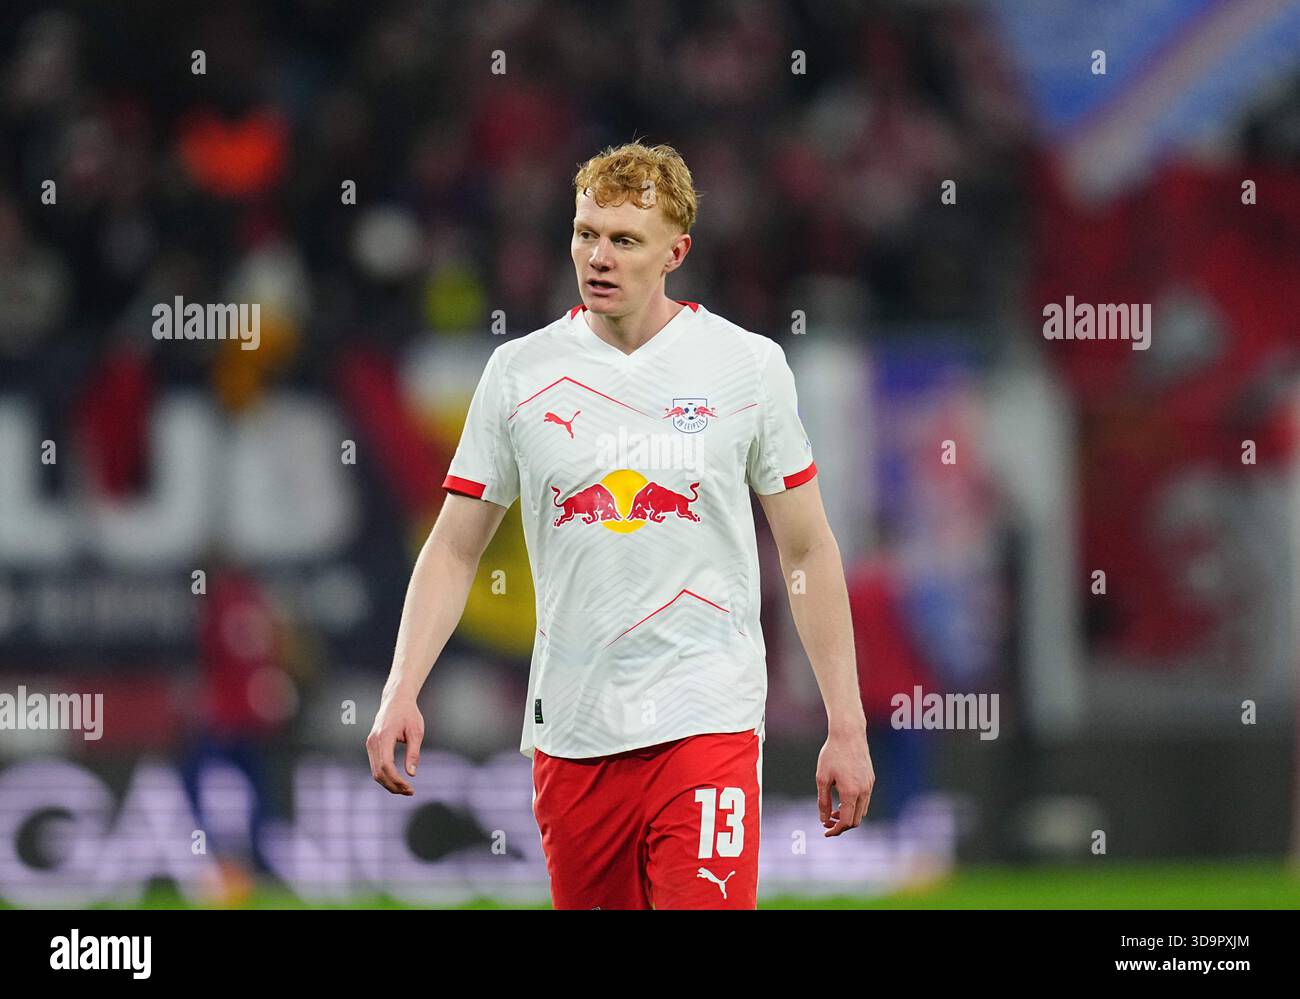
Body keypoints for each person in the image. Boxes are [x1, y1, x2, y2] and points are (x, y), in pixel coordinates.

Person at [367, 141, 874, 909]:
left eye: (624, 240)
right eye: (585, 233)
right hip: (573, 730)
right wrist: (402, 687)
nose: (597, 256)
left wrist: (847, 722)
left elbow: (806, 546)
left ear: (676, 251)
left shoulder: (747, 366)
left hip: (708, 716)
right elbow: (453, 545)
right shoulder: (520, 374)